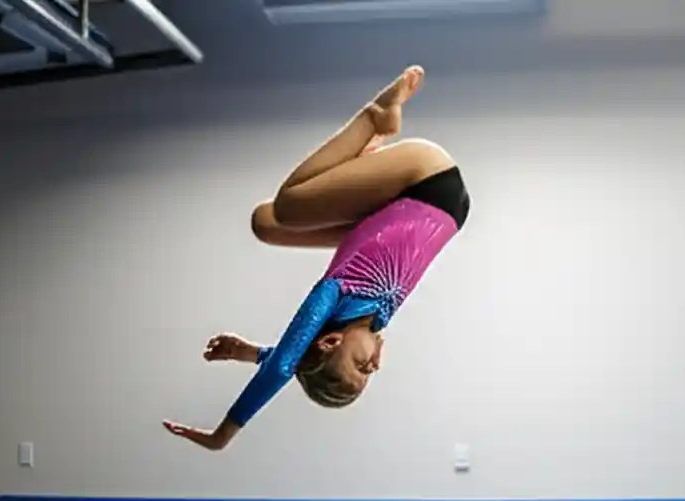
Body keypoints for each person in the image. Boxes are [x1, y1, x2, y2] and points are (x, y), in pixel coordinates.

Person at [163, 65, 471, 451]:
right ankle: (361, 156)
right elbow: (299, 357)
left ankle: (374, 117)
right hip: (424, 188)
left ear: (329, 342)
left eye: (361, 367)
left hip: (423, 184)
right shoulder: (374, 314)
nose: (374, 366)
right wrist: (256, 354)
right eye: (369, 373)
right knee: (280, 214)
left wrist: (223, 432)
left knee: (272, 219)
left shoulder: (336, 295)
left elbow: (286, 364)